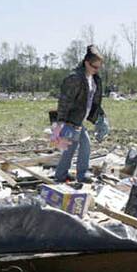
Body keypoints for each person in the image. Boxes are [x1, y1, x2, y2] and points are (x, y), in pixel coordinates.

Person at [53, 46, 107, 184]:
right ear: (86, 63)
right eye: (95, 67)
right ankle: (75, 175)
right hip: (70, 120)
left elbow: (94, 100)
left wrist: (101, 116)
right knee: (77, 146)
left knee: (76, 147)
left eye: (99, 67)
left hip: (79, 120)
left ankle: (64, 175)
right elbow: (64, 101)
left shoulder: (94, 79)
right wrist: (60, 122)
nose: (97, 70)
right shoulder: (74, 78)